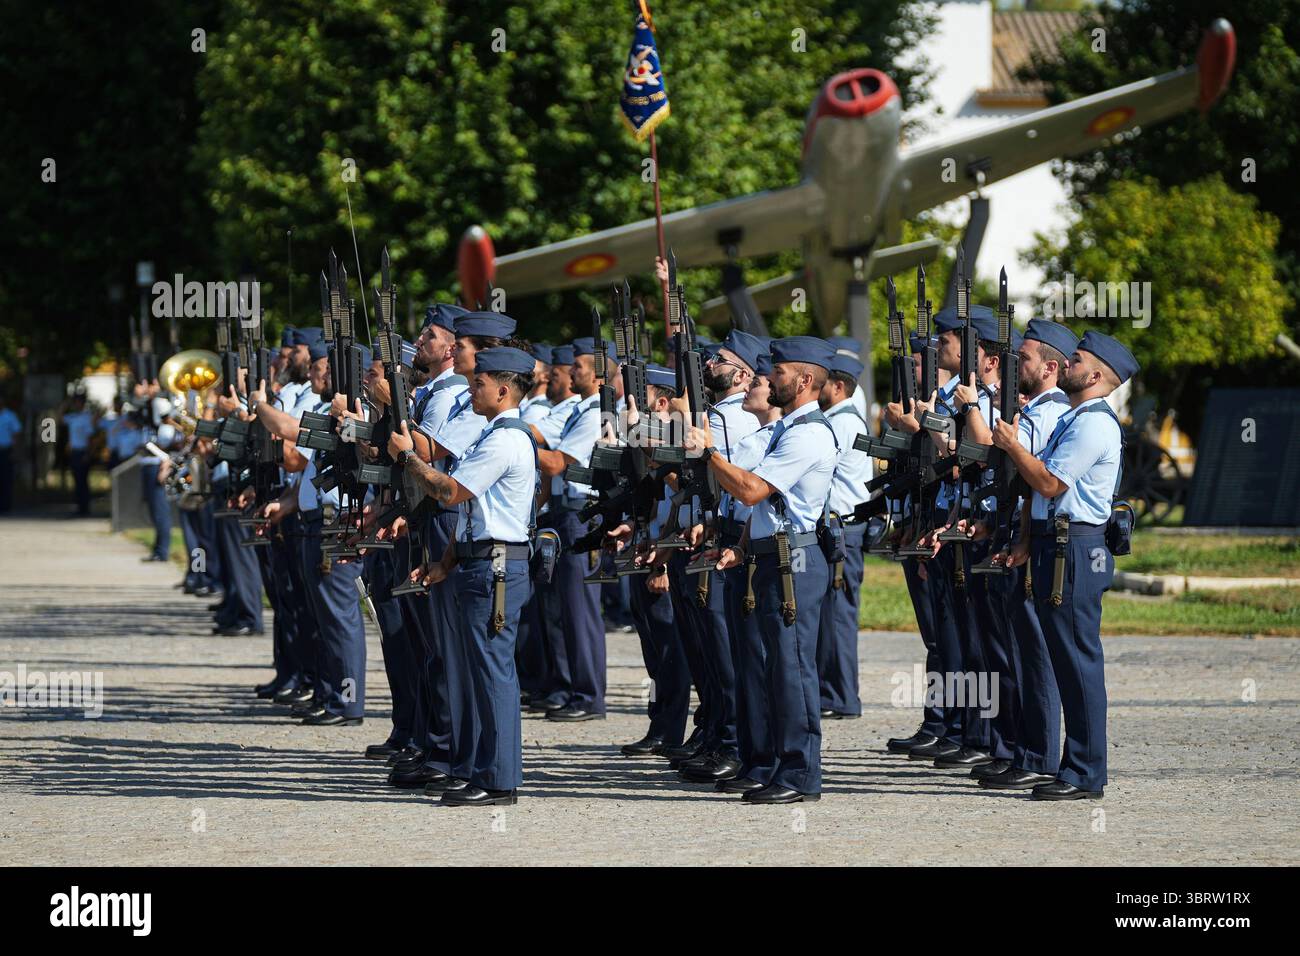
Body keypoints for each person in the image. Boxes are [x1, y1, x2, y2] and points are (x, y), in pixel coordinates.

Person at [687, 336, 839, 804]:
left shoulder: (809, 432)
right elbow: (762, 505)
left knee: (792, 669)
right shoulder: (786, 428)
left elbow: (751, 490)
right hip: (770, 554)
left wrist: (709, 455)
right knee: (773, 669)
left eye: (778, 371)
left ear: (806, 380)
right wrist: (736, 544)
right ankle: (774, 764)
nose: (768, 378)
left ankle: (799, 775)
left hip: (794, 560)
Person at [989, 330, 1137, 801]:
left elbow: (1050, 482)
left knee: (1077, 662)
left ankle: (1085, 771)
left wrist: (1013, 447)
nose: (1066, 364)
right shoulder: (1075, 419)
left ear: (1095, 375)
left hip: (1077, 548)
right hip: (1055, 544)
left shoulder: (1094, 424)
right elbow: (1042, 493)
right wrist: (1027, 539)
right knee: (1065, 659)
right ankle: (1074, 765)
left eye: (1075, 360)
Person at [388, 345, 539, 806]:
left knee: (493, 675)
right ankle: (476, 767)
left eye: (478, 383)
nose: (471, 390)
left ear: (503, 388)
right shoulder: (492, 434)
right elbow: (475, 511)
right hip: (477, 560)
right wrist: (445, 563)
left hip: (495, 567)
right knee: (476, 675)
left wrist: (408, 457)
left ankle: (498, 780)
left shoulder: (505, 438)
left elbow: (451, 492)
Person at [979, 317, 1076, 791]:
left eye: (1029, 357)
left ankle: (1038, 755)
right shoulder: (1035, 408)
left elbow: (1040, 484)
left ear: (1051, 368)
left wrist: (1011, 445)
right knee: (1015, 650)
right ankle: (1019, 747)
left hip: (1043, 538)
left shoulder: (1053, 413)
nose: (1020, 363)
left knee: (1034, 654)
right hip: (1021, 535)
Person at [530, 336, 613, 722]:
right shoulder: (582, 409)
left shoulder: (598, 412)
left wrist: (509, 443)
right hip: (565, 512)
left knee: (581, 608)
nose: (571, 371)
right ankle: (567, 686)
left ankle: (588, 694)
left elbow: (558, 462)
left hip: (582, 514)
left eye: (578, 366)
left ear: (597, 373)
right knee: (562, 605)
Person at [712, 349, 781, 793]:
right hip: (747, 542)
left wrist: (708, 454)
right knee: (745, 659)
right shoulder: (761, 434)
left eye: (758, 380)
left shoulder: (785, 436)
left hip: (780, 552)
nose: (752, 387)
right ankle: (752, 756)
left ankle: (771, 761)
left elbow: (750, 490)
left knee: (767, 662)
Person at [816, 351, 873, 720]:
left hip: (842, 528)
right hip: (841, 526)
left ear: (838, 386)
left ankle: (841, 696)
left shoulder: (841, 423)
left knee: (838, 615)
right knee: (830, 614)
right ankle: (832, 692)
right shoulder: (841, 419)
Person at [63, 394, 96, 516]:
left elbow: (90, 438)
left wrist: (88, 453)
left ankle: (85, 507)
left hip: (82, 451)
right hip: (74, 452)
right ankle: (79, 506)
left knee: (83, 480)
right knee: (77, 480)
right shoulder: (73, 417)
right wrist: (64, 405)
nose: (76, 405)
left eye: (77, 402)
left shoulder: (86, 418)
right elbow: (58, 418)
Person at [0, 395, 21, 513]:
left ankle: (6, 506)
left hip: (5, 450)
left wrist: (15, 451)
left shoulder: (10, 416)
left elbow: (16, 434)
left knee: (6, 479)